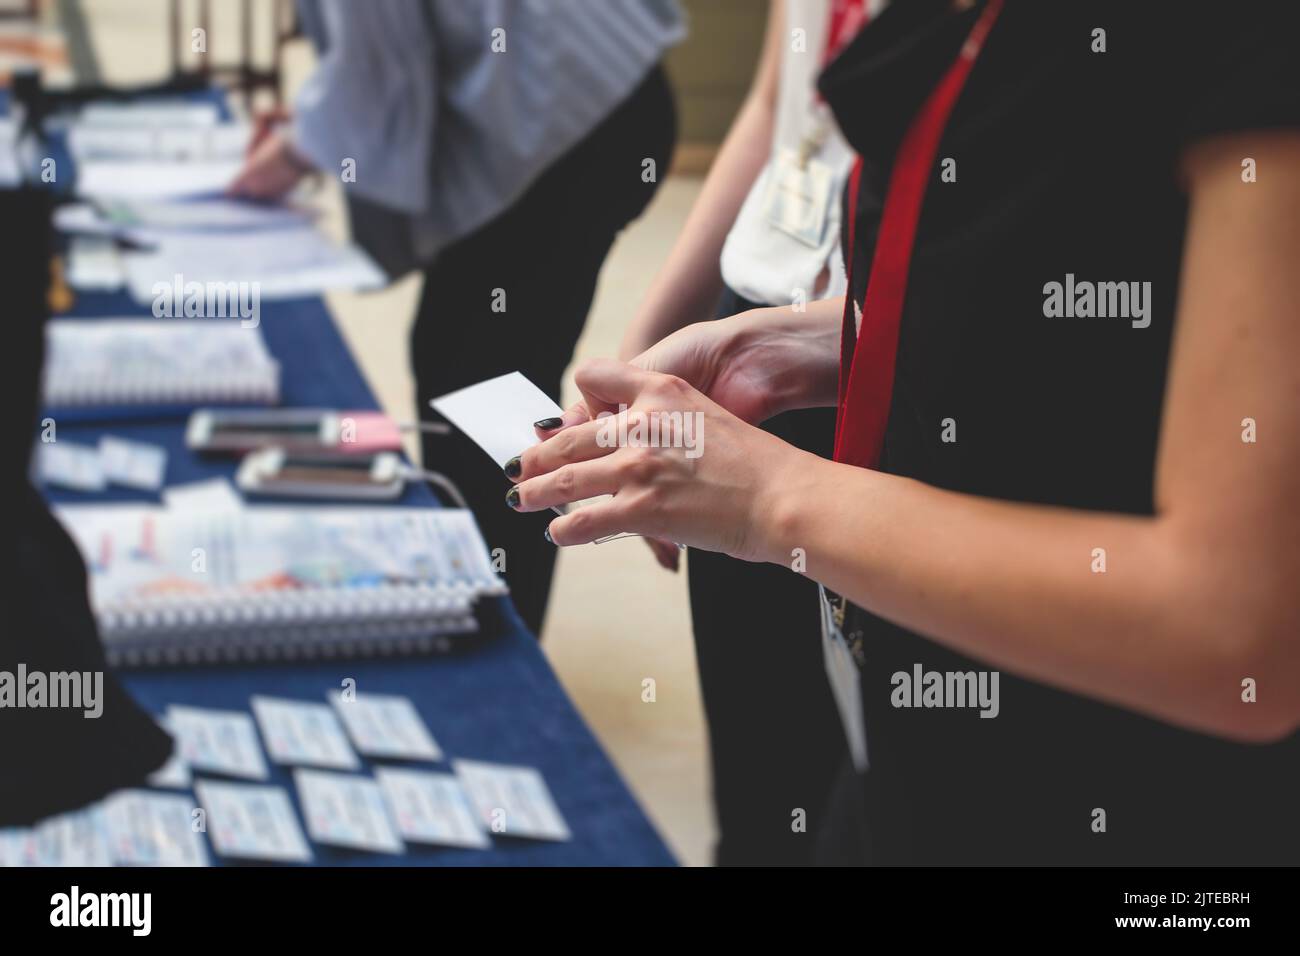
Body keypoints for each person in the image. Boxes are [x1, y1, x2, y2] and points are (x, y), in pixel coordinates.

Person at [508, 1, 1300, 864]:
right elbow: (1073, 302)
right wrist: (793, 341)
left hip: (1122, 794)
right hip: (919, 750)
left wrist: (771, 498)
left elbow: (1234, 629)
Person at [229, 0, 683, 634]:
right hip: (603, 94)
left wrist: (296, 149)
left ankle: (493, 632)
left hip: (574, 123)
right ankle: (491, 611)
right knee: (481, 371)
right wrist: (313, 127)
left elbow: (378, 64)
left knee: (480, 381)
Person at [606, 0, 880, 865]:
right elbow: (775, 107)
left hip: (884, 336)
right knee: (758, 733)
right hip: (762, 309)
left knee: (873, 766)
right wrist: (643, 346)